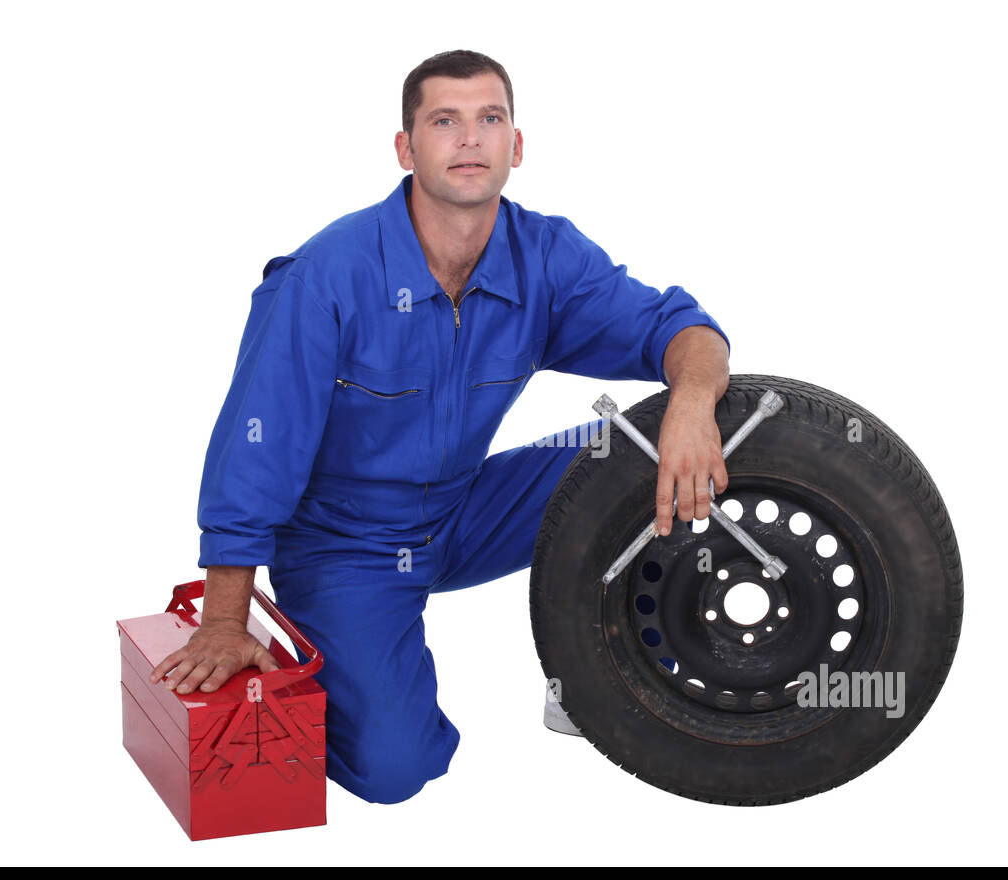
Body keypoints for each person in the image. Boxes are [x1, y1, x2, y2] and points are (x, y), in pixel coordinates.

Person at [149, 50, 733, 804]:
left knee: (650, 448)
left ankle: (605, 674)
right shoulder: (327, 277)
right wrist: (225, 619)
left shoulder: (544, 256)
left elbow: (682, 328)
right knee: (399, 768)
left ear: (516, 147)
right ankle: (337, 663)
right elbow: (254, 451)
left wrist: (689, 403)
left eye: (490, 119)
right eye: (444, 121)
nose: (470, 139)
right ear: (406, 148)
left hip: (465, 509)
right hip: (343, 544)